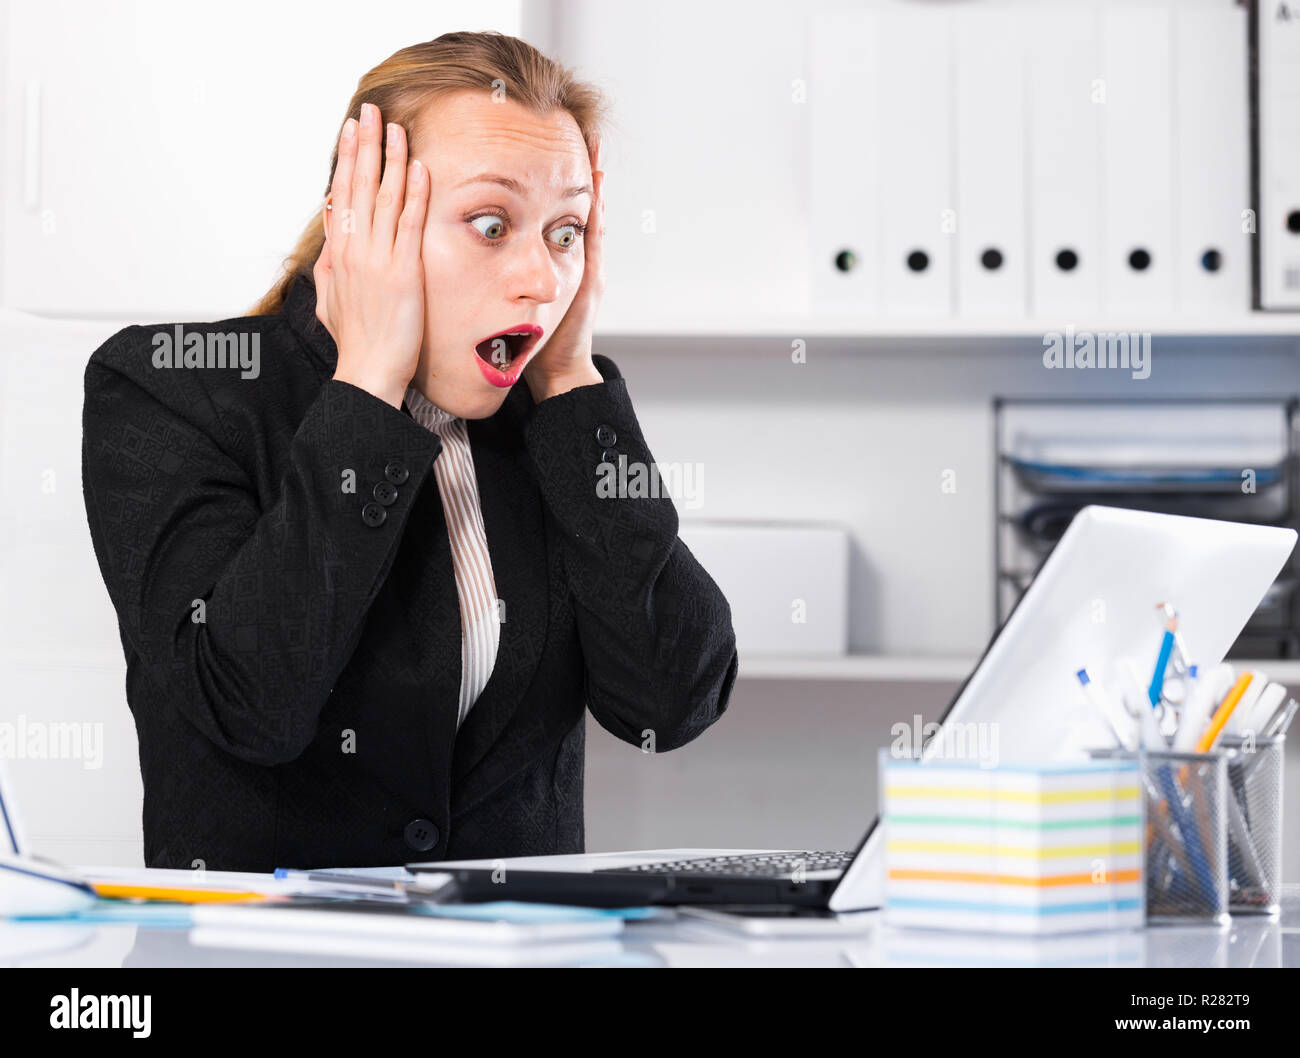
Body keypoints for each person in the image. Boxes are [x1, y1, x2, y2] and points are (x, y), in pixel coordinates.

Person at [80, 31, 737, 872]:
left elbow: (672, 702)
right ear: (359, 226)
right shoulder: (172, 390)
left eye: (565, 231)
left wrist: (571, 376)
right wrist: (368, 387)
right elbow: (250, 706)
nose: (541, 276)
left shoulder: (556, 416)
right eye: (492, 224)